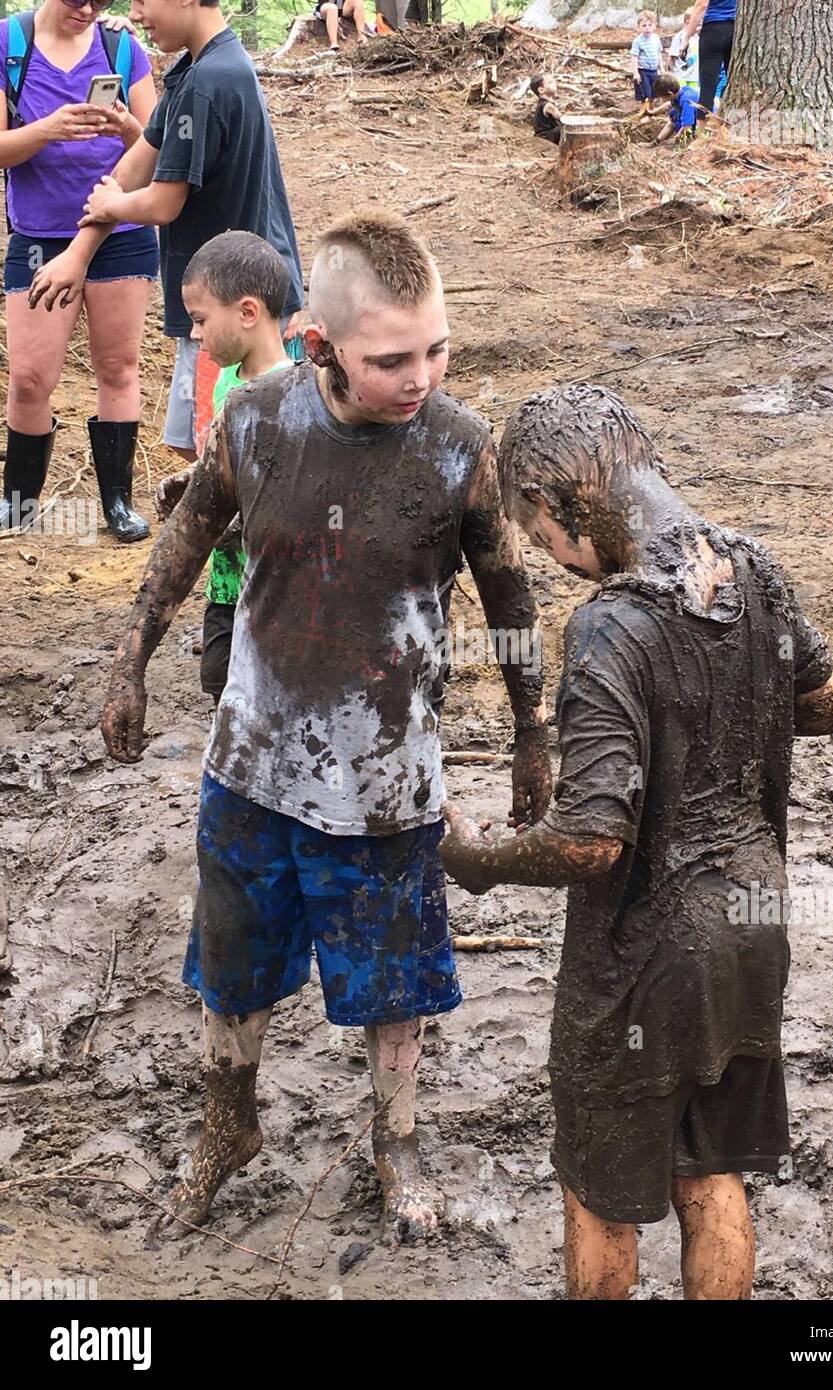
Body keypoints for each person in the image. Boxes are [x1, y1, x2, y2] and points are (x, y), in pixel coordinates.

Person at [98, 211, 552, 1242]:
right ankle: (229, 1127)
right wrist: (129, 660)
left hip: (390, 779)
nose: (422, 374)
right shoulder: (255, 420)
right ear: (319, 349)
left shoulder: (458, 446)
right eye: (392, 358)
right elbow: (185, 536)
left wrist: (534, 730)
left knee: (396, 982)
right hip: (252, 759)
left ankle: (396, 1145)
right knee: (232, 964)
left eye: (437, 347)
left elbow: (509, 597)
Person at [441, 384, 833, 1300]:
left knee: (599, 1193)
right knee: (711, 1171)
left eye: (541, 539)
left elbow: (588, 842)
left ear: (559, 507)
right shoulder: (755, 567)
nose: (553, 559)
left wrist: (471, 861)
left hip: (642, 959)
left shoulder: (611, 626)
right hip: (753, 923)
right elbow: (821, 702)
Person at [27, 0, 304, 469]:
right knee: (193, 442)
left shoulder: (209, 82)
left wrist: (112, 205)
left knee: (231, 452)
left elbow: (161, 201)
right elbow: (137, 165)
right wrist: (80, 251)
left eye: (142, 0)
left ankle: (234, 541)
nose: (134, 14)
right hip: (216, 304)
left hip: (239, 309)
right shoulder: (192, 70)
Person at [0, 1, 157, 541]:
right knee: (28, 377)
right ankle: (18, 501)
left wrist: (126, 127)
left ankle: (117, 501)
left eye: (102, 0)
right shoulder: (8, 44)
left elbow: (153, 148)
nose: (89, 10)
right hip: (40, 234)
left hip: (121, 232)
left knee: (117, 367)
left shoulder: (122, 46)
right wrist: (46, 129)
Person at [156, 231, 301, 705]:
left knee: (274, 693)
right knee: (222, 687)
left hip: (277, 589)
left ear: (247, 312)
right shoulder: (223, 381)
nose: (194, 334)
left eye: (199, 320)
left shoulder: (296, 395)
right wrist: (189, 483)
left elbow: (291, 495)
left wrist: (228, 523)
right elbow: (218, 465)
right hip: (225, 583)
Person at [684, 0, 737, 116]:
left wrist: (686, 38)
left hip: (713, 30)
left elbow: (702, 5)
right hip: (736, 29)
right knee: (735, 82)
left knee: (707, 88)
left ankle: (702, 132)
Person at [630, 11, 663, 106]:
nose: (647, 28)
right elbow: (634, 57)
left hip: (654, 70)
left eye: (650, 25)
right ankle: (644, 110)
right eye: (644, 25)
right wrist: (636, 73)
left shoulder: (656, 38)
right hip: (643, 71)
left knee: (654, 92)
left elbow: (658, 54)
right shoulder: (637, 41)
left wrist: (662, 68)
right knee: (645, 93)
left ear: (654, 26)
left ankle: (651, 109)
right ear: (639, 27)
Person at [654, 73, 698, 142]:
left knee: (679, 121)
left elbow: (687, 126)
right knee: (674, 114)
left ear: (670, 94)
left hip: (704, 126)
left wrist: (674, 140)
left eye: (662, 97)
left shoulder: (686, 100)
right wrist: (656, 142)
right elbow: (671, 121)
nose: (661, 100)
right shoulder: (681, 91)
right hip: (693, 119)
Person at [667, 7, 700, 96]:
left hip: (694, 76)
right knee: (680, 95)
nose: (701, 26)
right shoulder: (679, 37)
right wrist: (670, 73)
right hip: (680, 76)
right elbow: (672, 56)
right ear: (688, 22)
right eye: (698, 23)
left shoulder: (697, 38)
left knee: (693, 95)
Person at [530, 73, 561, 146]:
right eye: (550, 82)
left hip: (545, 135)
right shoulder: (548, 106)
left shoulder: (544, 103)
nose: (554, 83)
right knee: (563, 130)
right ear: (541, 90)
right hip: (545, 136)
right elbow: (561, 118)